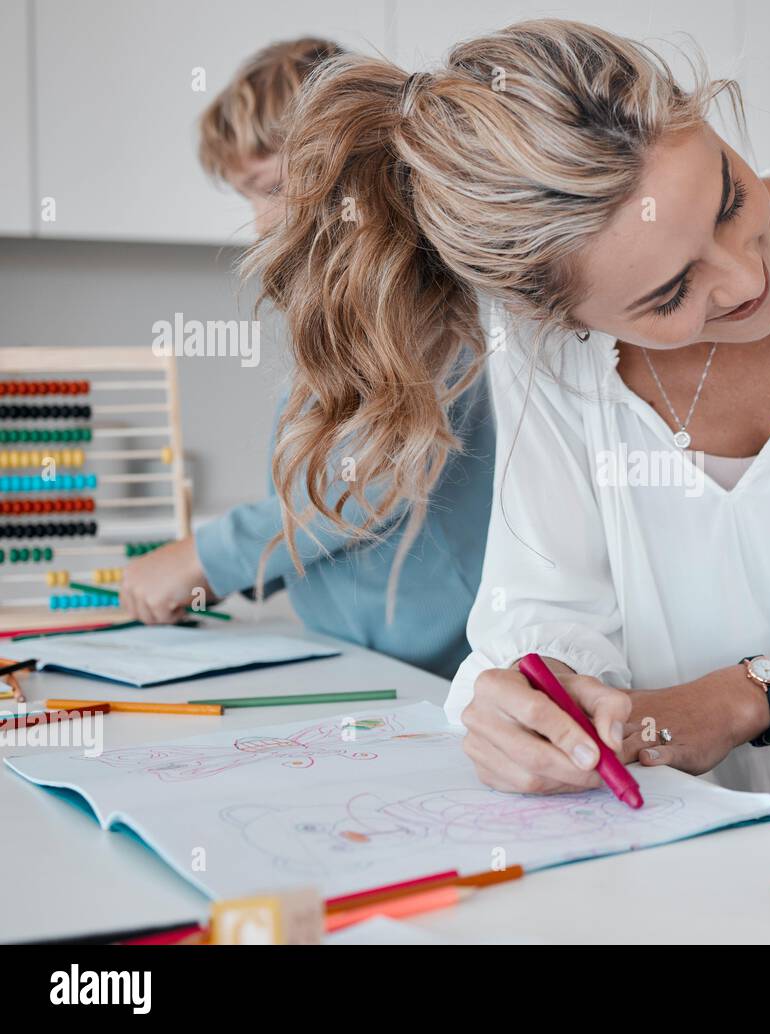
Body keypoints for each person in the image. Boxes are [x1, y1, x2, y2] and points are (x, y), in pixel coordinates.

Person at [247, 19, 770, 822]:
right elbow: (548, 605)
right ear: (559, 317)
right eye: (668, 294)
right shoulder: (540, 346)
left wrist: (743, 698)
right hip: (683, 839)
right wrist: (526, 700)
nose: (742, 280)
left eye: (729, 197)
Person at [118, 37, 494, 680]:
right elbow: (315, 479)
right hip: (356, 646)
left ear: (347, 163)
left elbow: (374, 477)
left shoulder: (435, 301)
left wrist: (208, 556)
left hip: (437, 663)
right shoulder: (334, 306)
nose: (261, 223)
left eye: (271, 189)